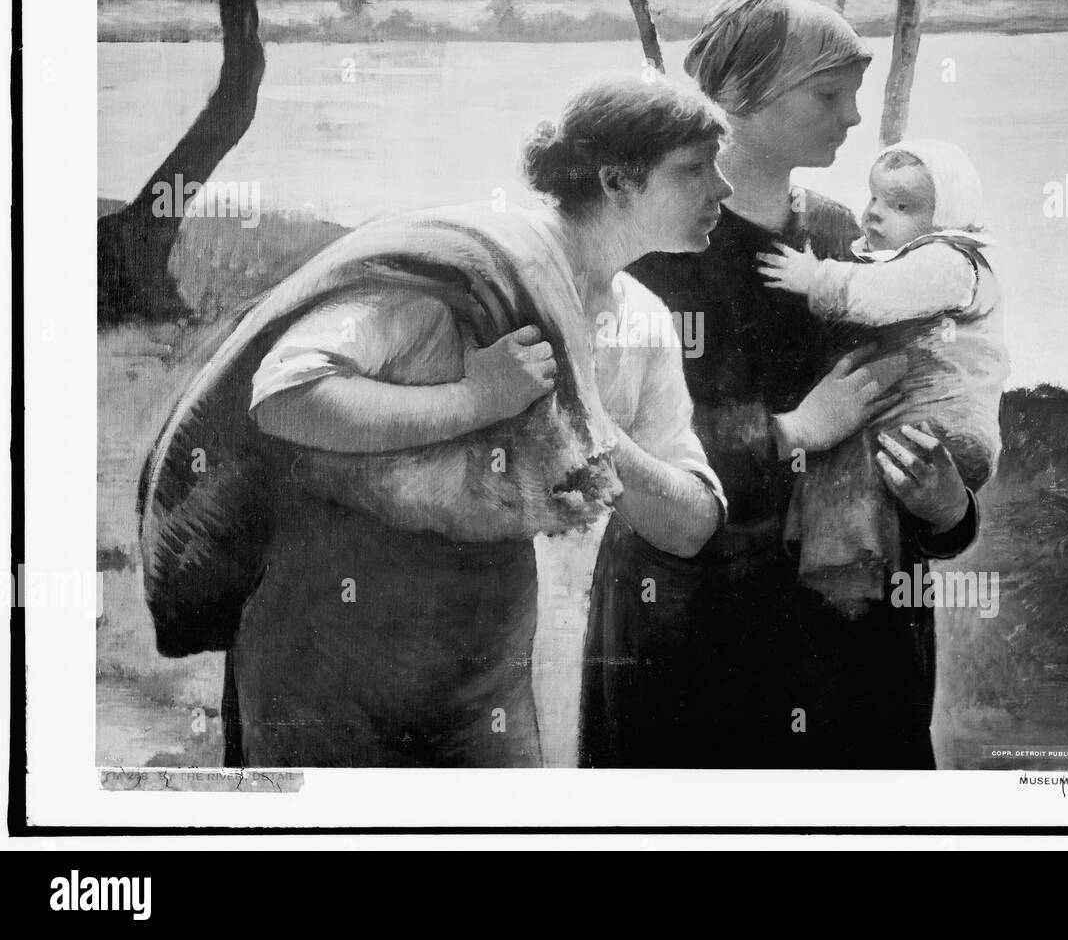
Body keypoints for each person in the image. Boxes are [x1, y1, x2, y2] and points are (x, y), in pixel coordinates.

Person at [139, 74, 732, 767]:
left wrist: (588, 422)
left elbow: (689, 524)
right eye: (694, 169)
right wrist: (476, 400)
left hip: (487, 647)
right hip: (331, 634)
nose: (720, 188)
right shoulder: (474, 271)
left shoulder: (641, 322)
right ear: (616, 179)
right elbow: (286, 390)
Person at [579, 0, 982, 769]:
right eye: (829, 94)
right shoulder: (653, 252)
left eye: (855, 95)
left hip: (856, 628)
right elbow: (612, 438)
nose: (854, 119)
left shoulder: (849, 241)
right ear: (744, 98)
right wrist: (793, 430)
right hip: (698, 625)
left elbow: (925, 397)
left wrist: (948, 508)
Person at [757, 139, 1010, 615]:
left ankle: (845, 571)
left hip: (940, 425)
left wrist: (817, 280)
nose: (872, 215)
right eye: (874, 198)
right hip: (913, 426)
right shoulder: (888, 252)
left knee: (858, 455)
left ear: (945, 219)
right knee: (852, 457)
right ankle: (839, 566)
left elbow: (882, 293)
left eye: (899, 206)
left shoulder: (947, 261)